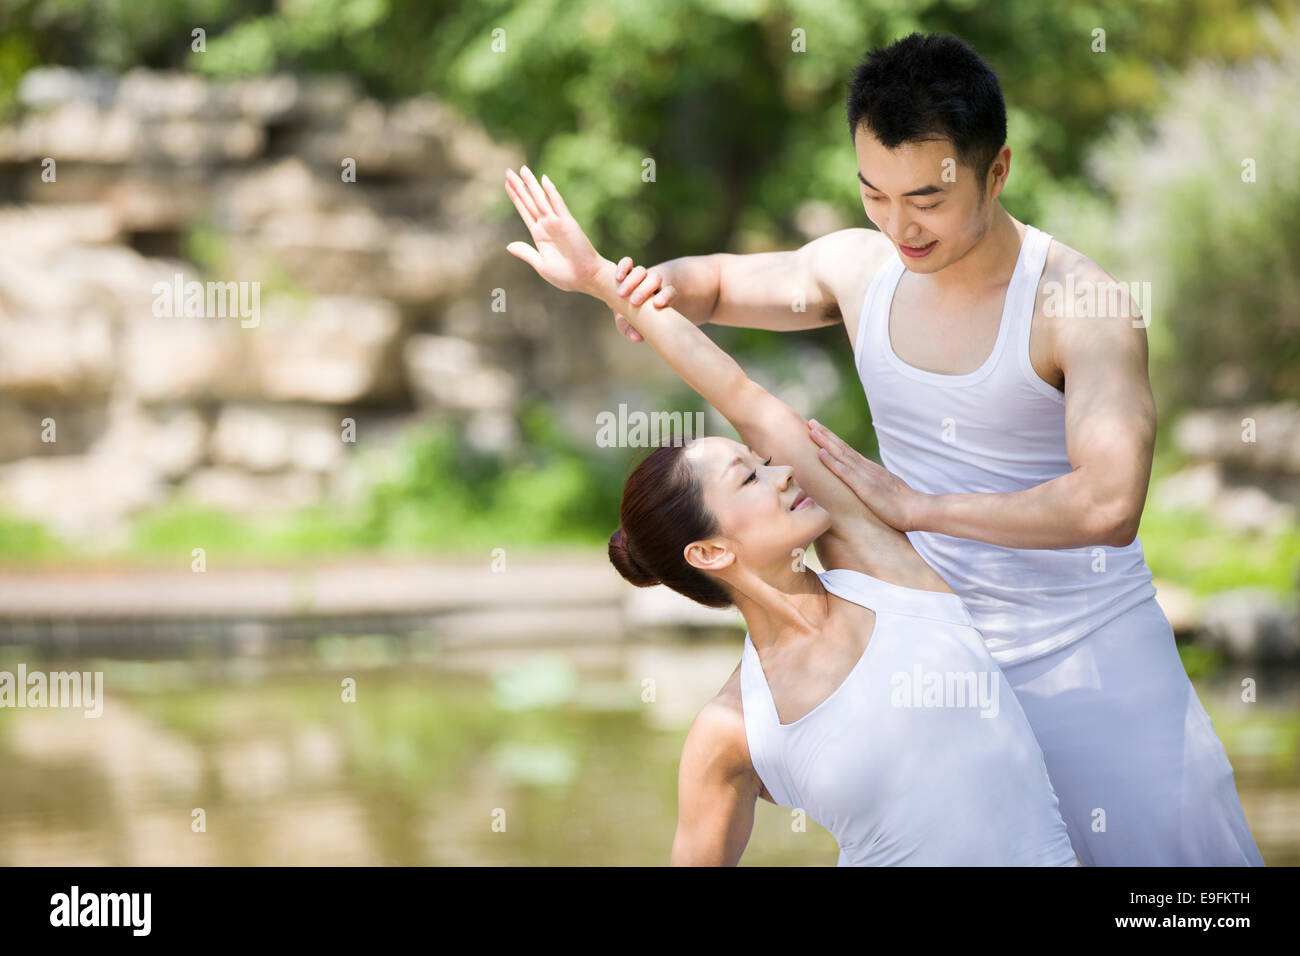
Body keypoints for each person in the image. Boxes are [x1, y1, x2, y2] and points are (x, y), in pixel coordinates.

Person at [608, 33, 1263, 866]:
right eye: (873, 193)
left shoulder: (1078, 302)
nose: (898, 224)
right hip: (925, 652)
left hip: (1088, 659)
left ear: (996, 171)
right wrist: (652, 287)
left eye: (926, 197)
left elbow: (1109, 504)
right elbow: (720, 285)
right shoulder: (860, 267)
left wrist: (919, 509)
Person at [503, 164, 1078, 866]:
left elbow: (740, 393)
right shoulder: (733, 727)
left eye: (762, 461)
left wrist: (600, 278)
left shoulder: (879, 568)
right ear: (710, 553)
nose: (780, 473)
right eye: (749, 475)